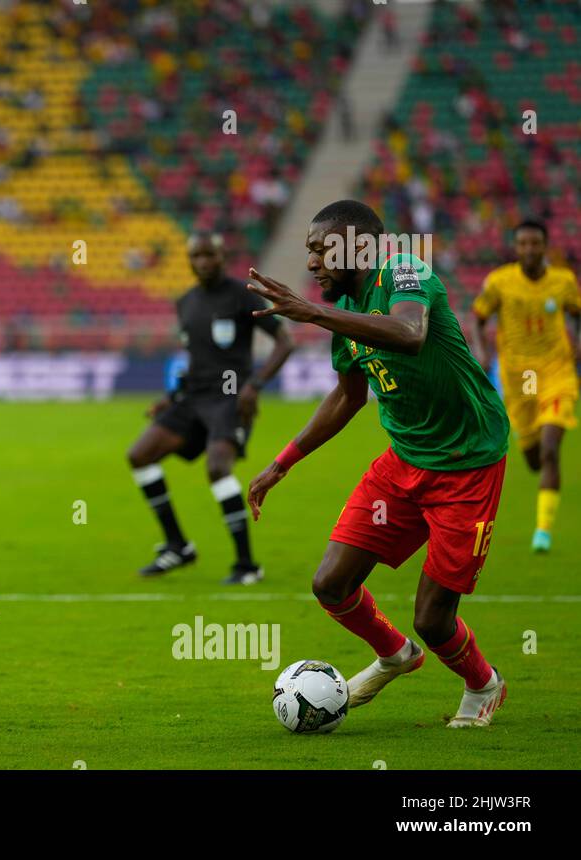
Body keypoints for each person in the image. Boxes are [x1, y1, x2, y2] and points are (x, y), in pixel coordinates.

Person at [246, 199, 510, 728]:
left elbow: (410, 335)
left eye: (321, 250)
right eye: (309, 253)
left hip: (468, 465)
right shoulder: (344, 313)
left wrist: (314, 312)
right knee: (330, 585)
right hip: (404, 460)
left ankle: (483, 683)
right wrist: (283, 462)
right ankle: (395, 654)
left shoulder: (404, 269)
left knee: (434, 621)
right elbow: (347, 397)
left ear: (358, 246)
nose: (313, 263)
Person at [128, 233, 294, 584]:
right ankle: (177, 546)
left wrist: (255, 384)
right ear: (189, 261)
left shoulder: (242, 295)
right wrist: (172, 398)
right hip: (193, 397)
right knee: (140, 455)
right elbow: (197, 357)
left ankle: (247, 566)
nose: (203, 262)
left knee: (218, 468)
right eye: (196, 256)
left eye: (209, 255)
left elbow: (285, 340)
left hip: (230, 397)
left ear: (222, 256)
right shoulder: (185, 301)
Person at [471, 219, 580, 553]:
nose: (530, 249)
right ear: (516, 248)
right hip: (522, 379)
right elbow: (478, 317)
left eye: (536, 243)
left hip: (557, 372)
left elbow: (576, 312)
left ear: (545, 247)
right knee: (533, 456)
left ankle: (543, 532)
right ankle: (530, 438)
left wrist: (577, 341)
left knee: (549, 450)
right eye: (523, 244)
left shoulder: (563, 281)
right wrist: (482, 349)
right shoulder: (501, 282)